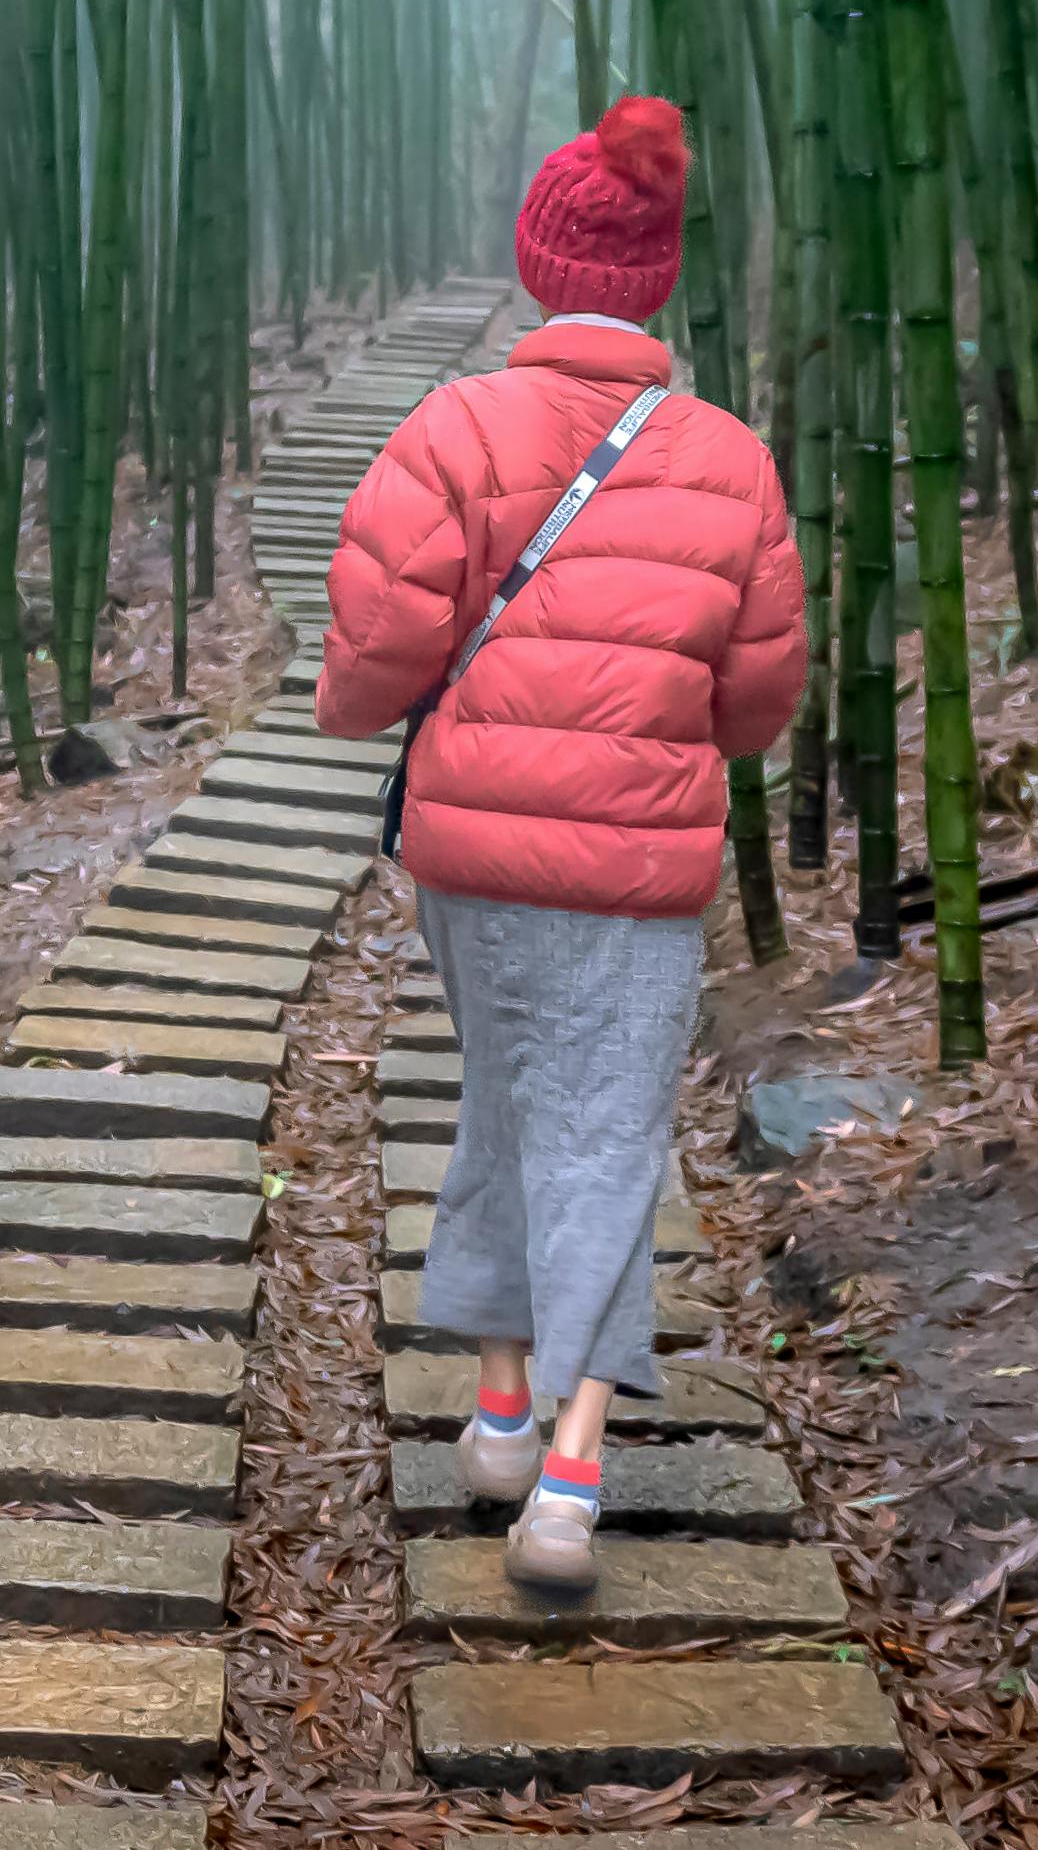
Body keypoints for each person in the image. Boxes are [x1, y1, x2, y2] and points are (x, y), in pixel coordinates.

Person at [311, 94, 804, 1595]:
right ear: (654, 281)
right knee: (603, 1136)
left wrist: (359, 702)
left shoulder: (452, 427)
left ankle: (508, 1403)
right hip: (637, 874)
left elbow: (374, 646)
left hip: (472, 863)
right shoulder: (731, 462)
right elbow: (756, 702)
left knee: (511, 1105)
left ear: (538, 270)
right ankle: (571, 1479)